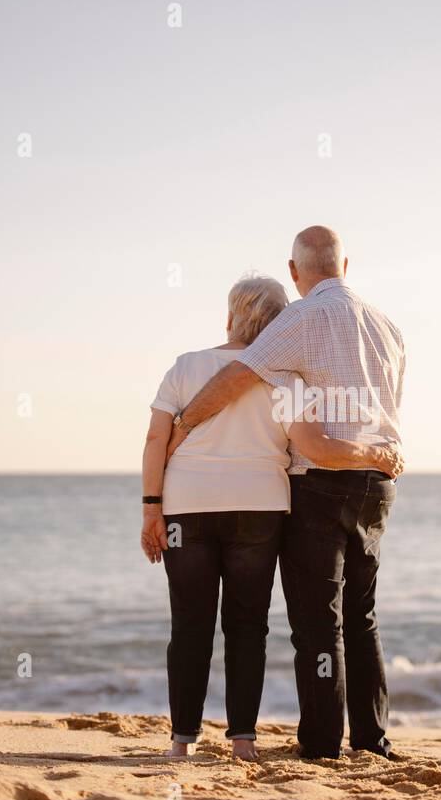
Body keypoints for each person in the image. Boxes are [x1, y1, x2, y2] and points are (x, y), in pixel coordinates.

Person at [165, 227, 406, 759]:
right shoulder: (387, 326)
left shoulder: (300, 317)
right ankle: (372, 739)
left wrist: (182, 427)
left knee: (319, 621)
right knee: (362, 615)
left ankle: (322, 744)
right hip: (379, 479)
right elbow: (389, 407)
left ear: (295, 272)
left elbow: (237, 375)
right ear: (347, 264)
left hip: (319, 484)